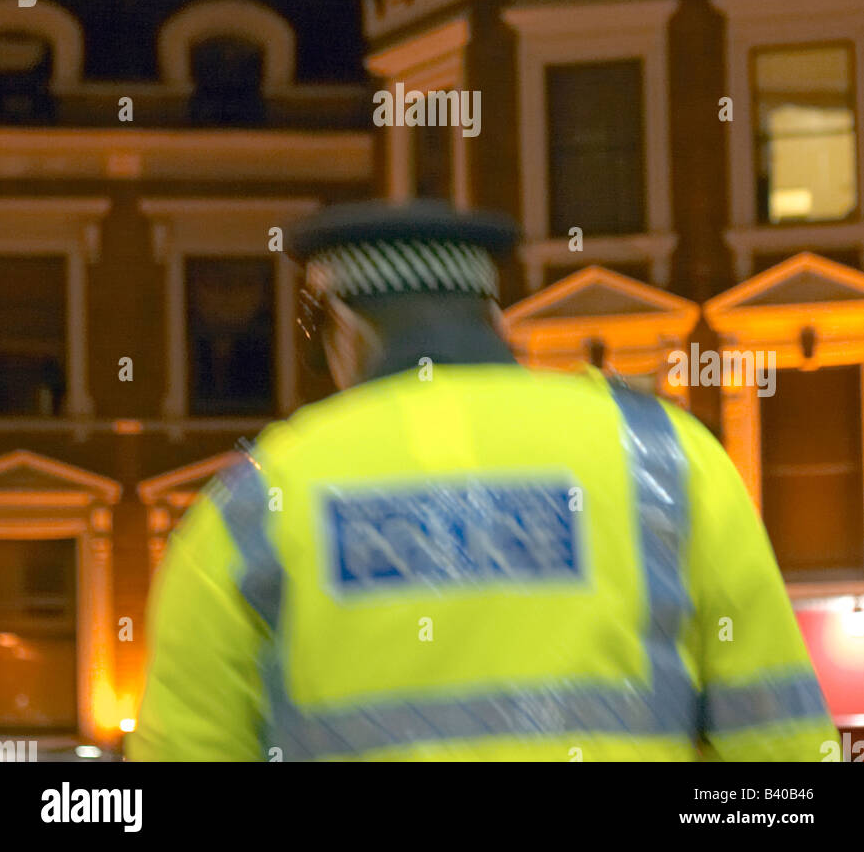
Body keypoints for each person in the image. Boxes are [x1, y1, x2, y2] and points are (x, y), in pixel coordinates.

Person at [128, 199, 836, 762]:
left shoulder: (255, 500)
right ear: (494, 318)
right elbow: (777, 736)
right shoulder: (662, 456)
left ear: (344, 330)